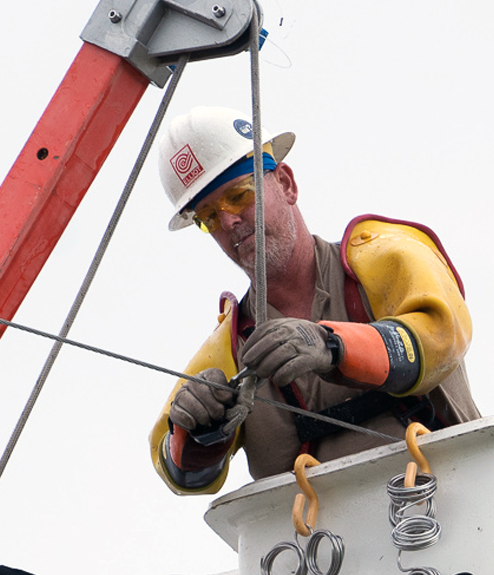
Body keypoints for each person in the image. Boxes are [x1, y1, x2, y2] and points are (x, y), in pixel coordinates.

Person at [146, 106, 477, 494]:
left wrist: (334, 345)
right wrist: (195, 433)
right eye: (209, 218)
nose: (230, 221)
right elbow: (180, 473)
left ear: (286, 183)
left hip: (452, 517)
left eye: (239, 195)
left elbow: (443, 334)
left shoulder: (386, 260)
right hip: (316, 549)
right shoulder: (232, 347)